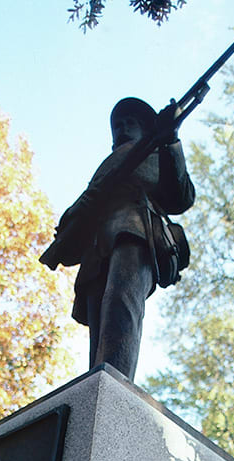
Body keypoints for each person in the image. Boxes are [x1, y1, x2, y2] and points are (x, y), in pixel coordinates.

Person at [42, 97, 195, 381]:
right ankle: (98, 386)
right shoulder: (109, 162)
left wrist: (171, 139)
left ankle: (113, 387)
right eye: (118, 124)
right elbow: (88, 201)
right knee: (100, 329)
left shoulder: (155, 151)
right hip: (96, 248)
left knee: (121, 304)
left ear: (146, 128)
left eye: (131, 122)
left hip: (135, 230)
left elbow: (181, 196)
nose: (122, 128)